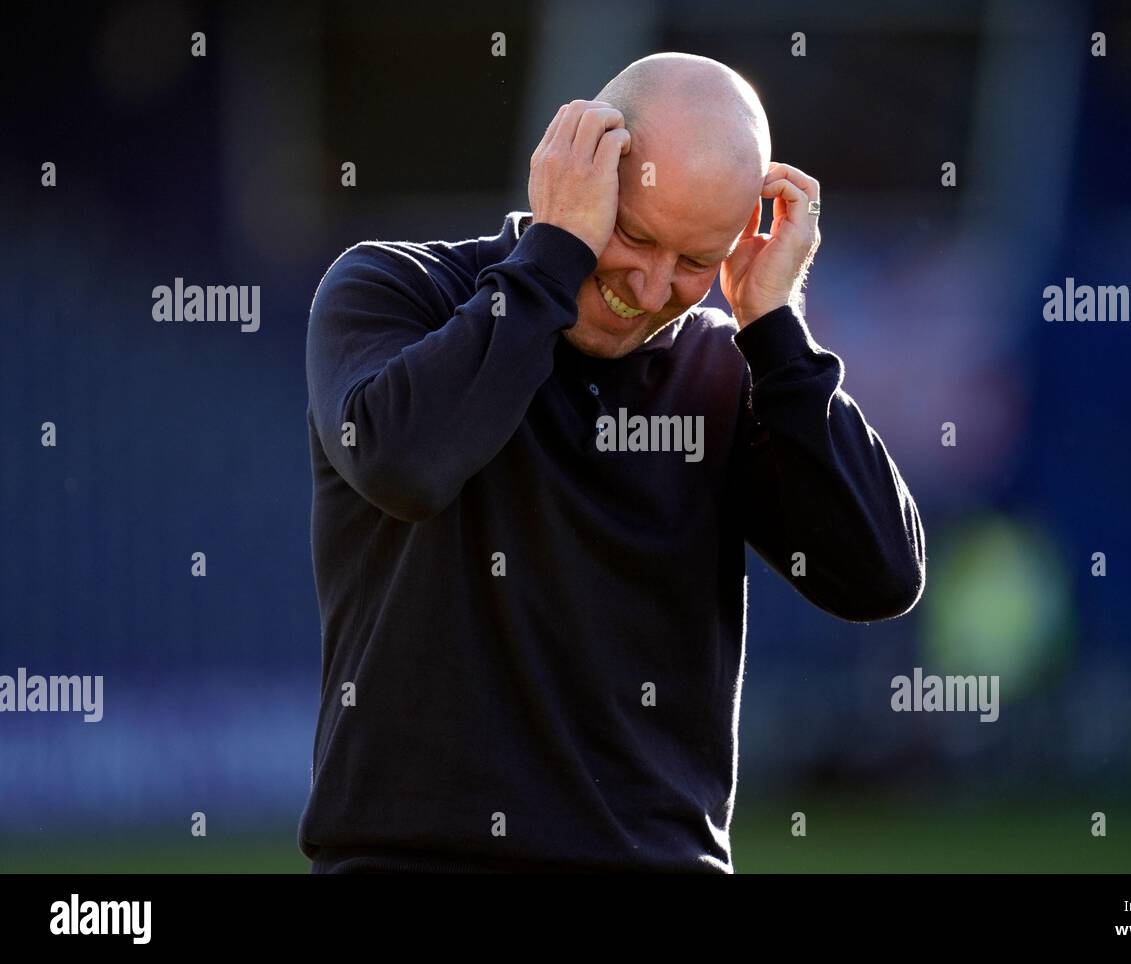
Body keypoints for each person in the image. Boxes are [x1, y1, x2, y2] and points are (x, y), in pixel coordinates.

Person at [298, 52, 925, 873]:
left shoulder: (725, 373)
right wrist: (555, 257)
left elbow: (879, 576)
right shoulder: (397, 291)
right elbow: (409, 466)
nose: (652, 284)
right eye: (633, 235)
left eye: (696, 262)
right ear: (577, 169)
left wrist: (775, 327)